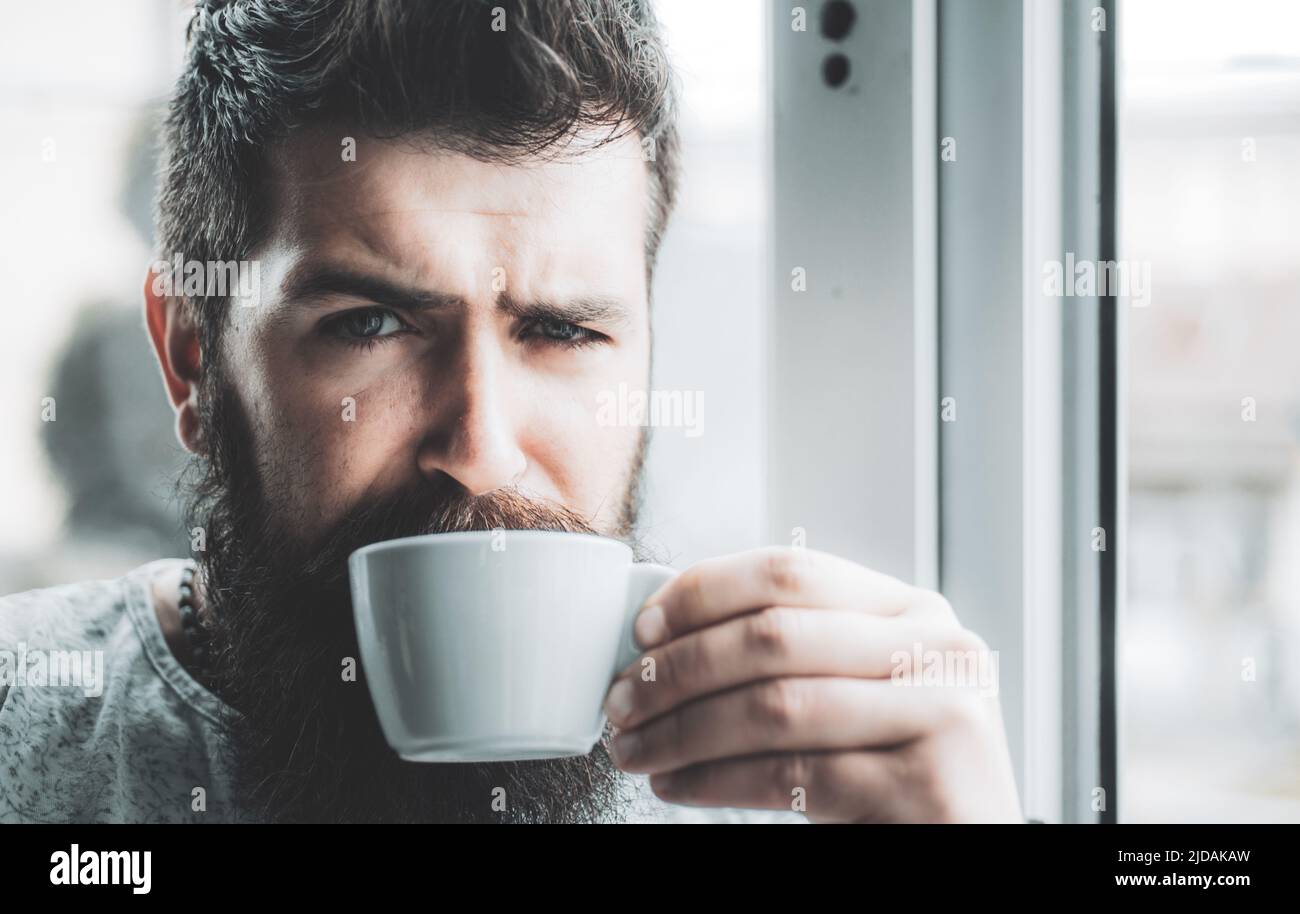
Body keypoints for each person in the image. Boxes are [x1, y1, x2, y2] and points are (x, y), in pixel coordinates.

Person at [0, 0, 1021, 823]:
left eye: (564, 332)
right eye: (371, 323)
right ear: (192, 359)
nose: (480, 450)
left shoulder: (801, 786)